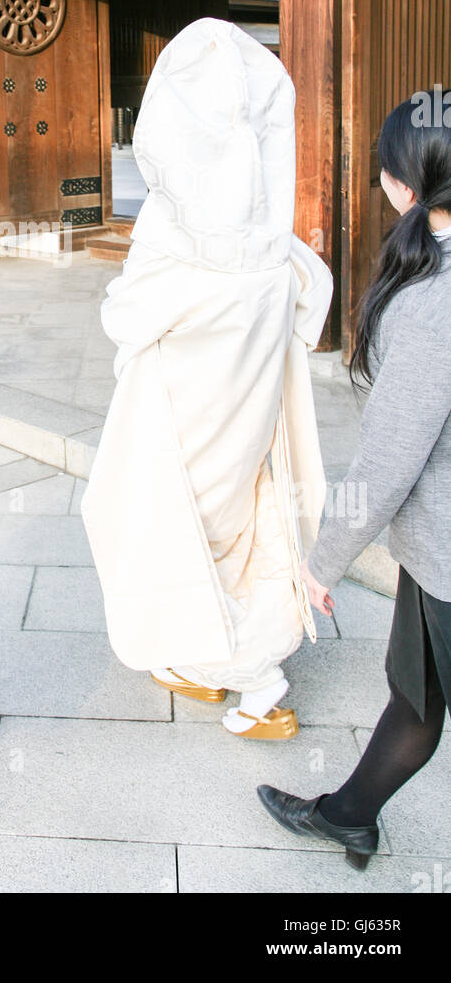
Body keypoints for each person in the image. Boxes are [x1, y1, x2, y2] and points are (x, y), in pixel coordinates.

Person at [82, 17, 333, 738]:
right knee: (240, 530)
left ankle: (254, 680)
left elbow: (126, 319)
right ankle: (229, 669)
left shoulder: (180, 238)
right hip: (247, 425)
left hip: (181, 424)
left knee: (173, 533)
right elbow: (309, 302)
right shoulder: (270, 245)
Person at [258, 92, 451, 870]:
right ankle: (349, 815)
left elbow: (389, 460)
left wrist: (322, 559)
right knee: (416, 694)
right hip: (438, 554)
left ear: (404, 182)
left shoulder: (434, 303)